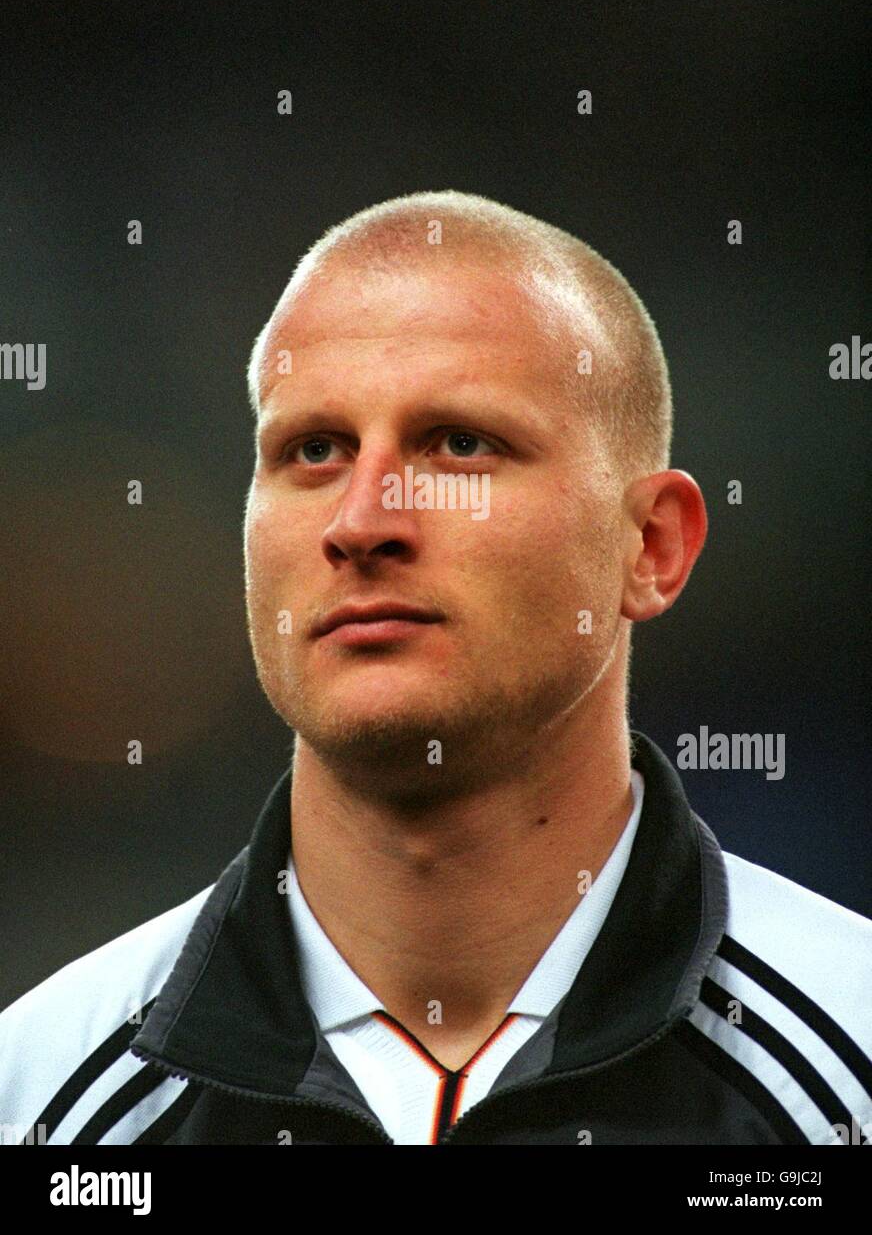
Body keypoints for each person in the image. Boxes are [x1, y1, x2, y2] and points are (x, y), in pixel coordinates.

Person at [1, 191, 869, 1146]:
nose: (363, 521)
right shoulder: (37, 1099)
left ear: (652, 545)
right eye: (314, 450)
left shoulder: (846, 1081)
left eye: (460, 444)